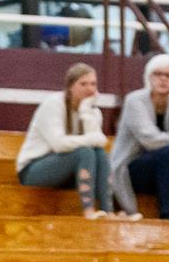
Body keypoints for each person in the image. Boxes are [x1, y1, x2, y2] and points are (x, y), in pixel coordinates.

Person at [16, 62, 123, 219]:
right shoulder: (53, 103)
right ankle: (88, 211)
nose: (90, 89)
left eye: (93, 84)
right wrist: (91, 139)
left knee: (100, 154)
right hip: (33, 170)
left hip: (69, 172)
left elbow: (98, 144)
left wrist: (86, 112)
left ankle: (108, 212)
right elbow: (59, 144)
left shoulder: (93, 111)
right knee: (85, 152)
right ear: (70, 87)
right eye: (83, 84)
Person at [111, 53, 169, 222]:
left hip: (164, 170)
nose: (163, 79)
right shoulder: (135, 100)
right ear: (148, 77)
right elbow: (150, 139)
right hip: (130, 169)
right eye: (157, 74)